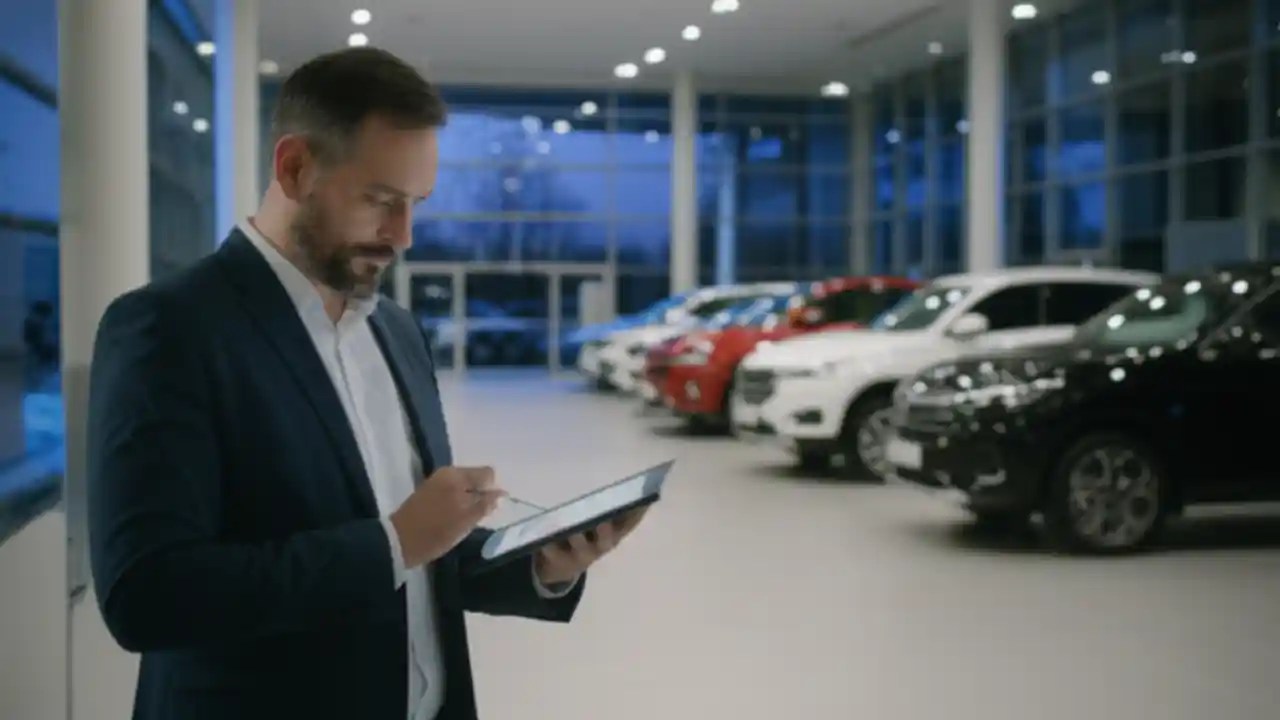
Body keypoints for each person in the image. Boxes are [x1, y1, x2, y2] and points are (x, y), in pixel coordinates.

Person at [87, 47, 649, 720]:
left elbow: (409, 555)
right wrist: (399, 540)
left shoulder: (397, 333)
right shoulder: (169, 328)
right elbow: (148, 596)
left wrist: (537, 566)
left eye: (414, 204)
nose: (404, 235)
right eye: (381, 201)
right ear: (295, 168)